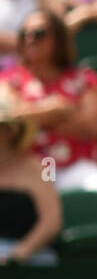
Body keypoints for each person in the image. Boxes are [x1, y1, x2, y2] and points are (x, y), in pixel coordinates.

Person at [0, 10, 97, 191]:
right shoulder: (9, 80)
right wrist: (59, 110)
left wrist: (36, 120)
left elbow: (92, 126)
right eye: (24, 35)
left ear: (58, 38)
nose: (30, 40)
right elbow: (11, 122)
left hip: (77, 166)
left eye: (39, 34)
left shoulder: (84, 79)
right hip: (29, 166)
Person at [0, 84, 61, 265]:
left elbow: (52, 221)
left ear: (10, 131)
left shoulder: (41, 167)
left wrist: (18, 255)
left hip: (30, 261)